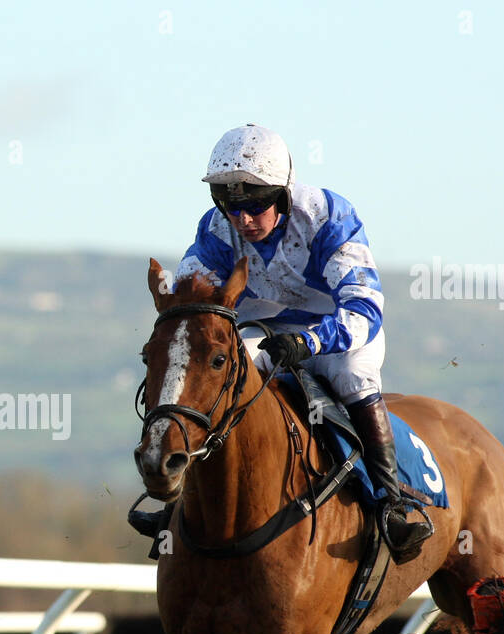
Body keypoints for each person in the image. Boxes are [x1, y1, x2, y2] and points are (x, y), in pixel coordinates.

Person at [168, 124, 432, 562]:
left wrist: (308, 342)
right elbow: (193, 296)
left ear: (283, 195)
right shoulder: (217, 228)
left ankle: (392, 505)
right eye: (230, 206)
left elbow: (365, 307)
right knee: (212, 374)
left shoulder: (329, 215)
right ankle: (179, 498)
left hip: (337, 330)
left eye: (254, 206)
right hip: (264, 330)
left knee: (351, 376)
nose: (243, 220)